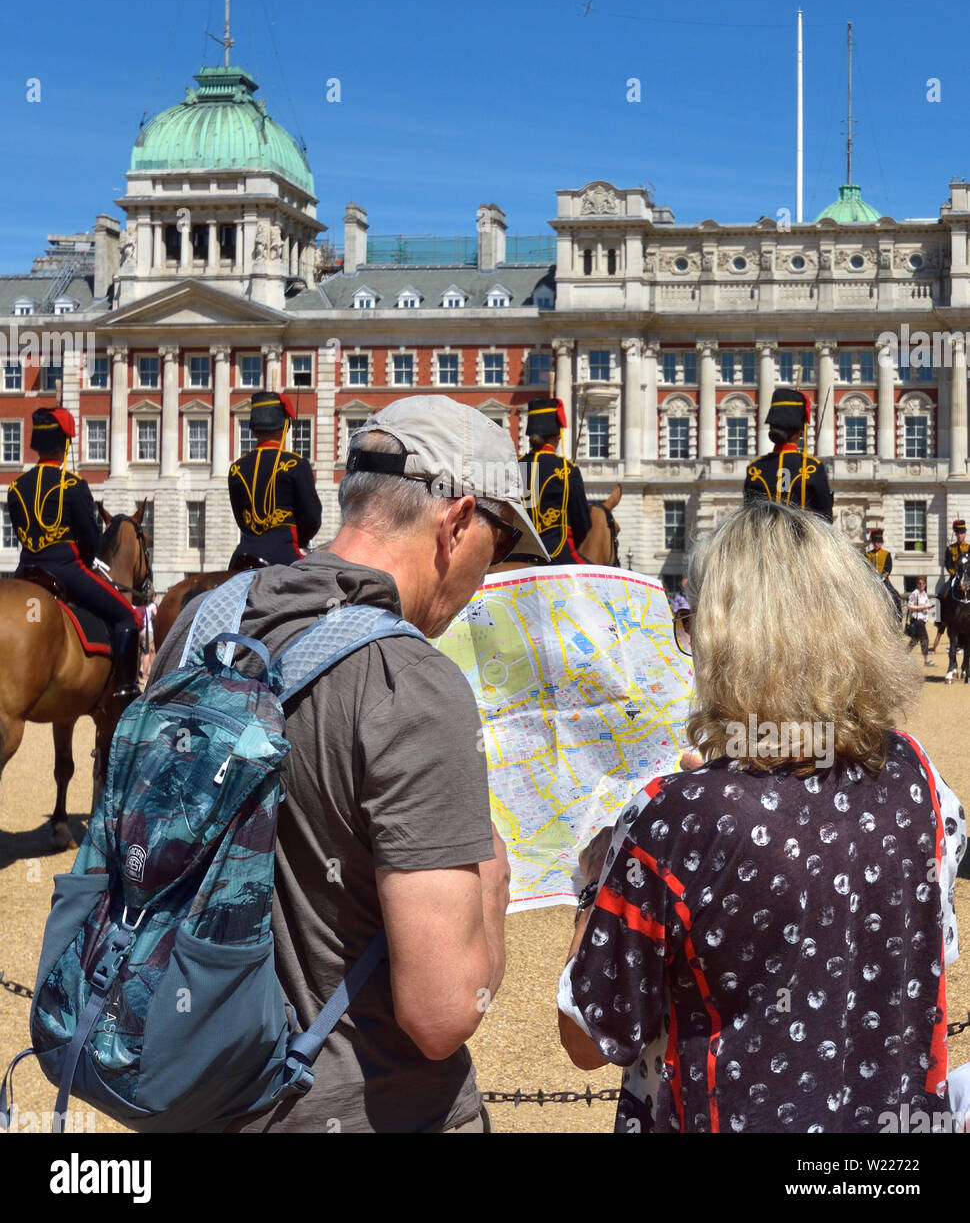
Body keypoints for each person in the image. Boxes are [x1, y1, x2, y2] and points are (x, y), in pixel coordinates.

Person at [151, 394, 550, 1133]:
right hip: (358, 1107)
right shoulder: (413, 681)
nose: (482, 583)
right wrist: (491, 883)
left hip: (183, 1091)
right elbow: (441, 1015)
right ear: (457, 521)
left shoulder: (200, 625)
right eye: (496, 548)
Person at [558, 498, 964, 1133]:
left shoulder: (675, 814)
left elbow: (591, 1036)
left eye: (689, 622)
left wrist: (596, 883)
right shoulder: (919, 775)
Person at [6, 407, 141, 703]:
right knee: (127, 616)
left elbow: (21, 534)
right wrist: (86, 555)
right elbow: (91, 539)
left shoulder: (15, 488)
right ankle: (125, 691)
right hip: (66, 569)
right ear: (64, 445)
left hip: (26, 572)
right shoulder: (73, 485)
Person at [227, 391, 322, 568]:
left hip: (242, 559)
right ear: (284, 427)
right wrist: (301, 540)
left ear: (253, 431)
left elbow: (241, 520)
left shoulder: (236, 469)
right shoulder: (295, 464)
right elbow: (312, 518)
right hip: (284, 557)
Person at [518, 398, 593, 563]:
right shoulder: (568, 470)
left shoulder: (515, 466)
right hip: (557, 552)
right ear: (556, 437)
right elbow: (583, 524)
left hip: (516, 553)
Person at [743, 386, 833, 522]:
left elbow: (749, 516)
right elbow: (826, 519)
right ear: (798, 434)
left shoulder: (755, 468)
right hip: (802, 542)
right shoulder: (813, 467)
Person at [930, 519, 969, 656]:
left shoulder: (969, 548)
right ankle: (940, 621)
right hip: (954, 579)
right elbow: (947, 564)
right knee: (941, 593)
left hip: (967, 580)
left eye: (962, 533)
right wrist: (955, 574)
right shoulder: (950, 549)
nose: (959, 535)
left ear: (965, 533)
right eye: (958, 533)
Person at [864, 528, 902, 623]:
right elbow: (865, 567)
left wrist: (882, 577)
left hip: (883, 579)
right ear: (872, 542)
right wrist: (871, 577)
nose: (877, 544)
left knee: (895, 596)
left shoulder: (886, 554)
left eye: (879, 542)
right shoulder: (868, 554)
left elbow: (888, 568)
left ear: (881, 543)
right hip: (870, 580)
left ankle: (898, 619)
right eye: (875, 542)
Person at [906, 576, 932, 664]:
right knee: (925, 639)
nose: (922, 585)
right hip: (917, 620)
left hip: (922, 620)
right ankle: (926, 660)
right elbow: (909, 606)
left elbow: (927, 605)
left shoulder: (924, 593)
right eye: (920, 583)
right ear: (917, 584)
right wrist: (924, 607)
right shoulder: (915, 593)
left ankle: (903, 655)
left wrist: (929, 607)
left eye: (923, 583)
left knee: (915, 640)